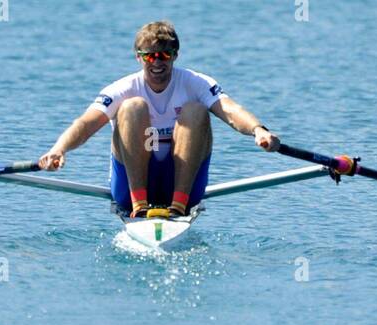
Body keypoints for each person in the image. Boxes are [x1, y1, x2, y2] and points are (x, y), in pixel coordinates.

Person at [38, 20, 279, 220]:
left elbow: (229, 109)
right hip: (128, 187)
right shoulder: (122, 88)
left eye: (164, 55)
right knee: (133, 106)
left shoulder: (196, 83)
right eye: (149, 56)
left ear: (175, 56)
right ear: (138, 57)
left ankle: (178, 204)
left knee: (196, 110)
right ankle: (139, 204)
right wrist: (59, 149)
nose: (157, 62)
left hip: (184, 184)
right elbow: (86, 124)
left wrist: (258, 130)